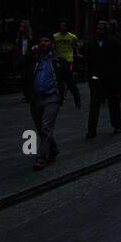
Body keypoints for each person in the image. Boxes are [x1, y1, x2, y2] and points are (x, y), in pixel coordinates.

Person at [22, 36, 67, 170]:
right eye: (41, 40)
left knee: (46, 127)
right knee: (40, 127)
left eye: (46, 41)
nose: (43, 43)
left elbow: (68, 79)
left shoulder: (58, 61)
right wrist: (30, 52)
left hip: (52, 97)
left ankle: (40, 158)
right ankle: (53, 149)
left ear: (52, 44)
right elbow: (17, 64)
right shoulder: (34, 60)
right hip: (36, 98)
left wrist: (75, 97)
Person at [85, 20, 121, 138]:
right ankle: (91, 130)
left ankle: (116, 125)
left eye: (101, 29)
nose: (99, 31)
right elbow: (88, 59)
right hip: (96, 77)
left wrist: (117, 71)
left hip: (111, 78)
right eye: (97, 29)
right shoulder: (92, 42)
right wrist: (89, 76)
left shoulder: (113, 41)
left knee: (113, 102)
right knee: (94, 103)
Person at [52, 19, 81, 109]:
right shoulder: (55, 36)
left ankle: (77, 98)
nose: (62, 27)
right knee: (59, 80)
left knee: (70, 81)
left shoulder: (72, 37)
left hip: (69, 60)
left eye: (64, 26)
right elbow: (53, 47)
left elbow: (76, 46)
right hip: (58, 59)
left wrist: (77, 53)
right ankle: (61, 98)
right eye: (61, 25)